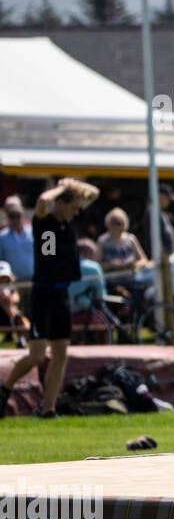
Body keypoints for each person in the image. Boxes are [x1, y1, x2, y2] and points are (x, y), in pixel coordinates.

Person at [0, 177, 99, 419]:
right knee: (36, 355)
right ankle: (5, 389)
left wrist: (74, 187)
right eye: (73, 206)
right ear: (62, 203)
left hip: (61, 293)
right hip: (43, 293)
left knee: (61, 352)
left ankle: (48, 409)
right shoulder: (44, 222)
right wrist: (63, 189)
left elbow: (94, 193)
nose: (77, 211)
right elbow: (43, 200)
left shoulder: (67, 224)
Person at [0, 196, 35, 283]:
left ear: (22, 215)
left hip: (33, 280)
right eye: (12, 216)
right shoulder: (2, 236)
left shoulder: (33, 232)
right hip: (13, 283)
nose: (15, 219)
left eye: (18, 216)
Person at [0, 261, 29, 342]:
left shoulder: (11, 290)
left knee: (21, 321)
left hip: (10, 315)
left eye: (4, 277)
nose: (2, 280)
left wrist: (7, 298)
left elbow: (16, 299)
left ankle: (21, 339)